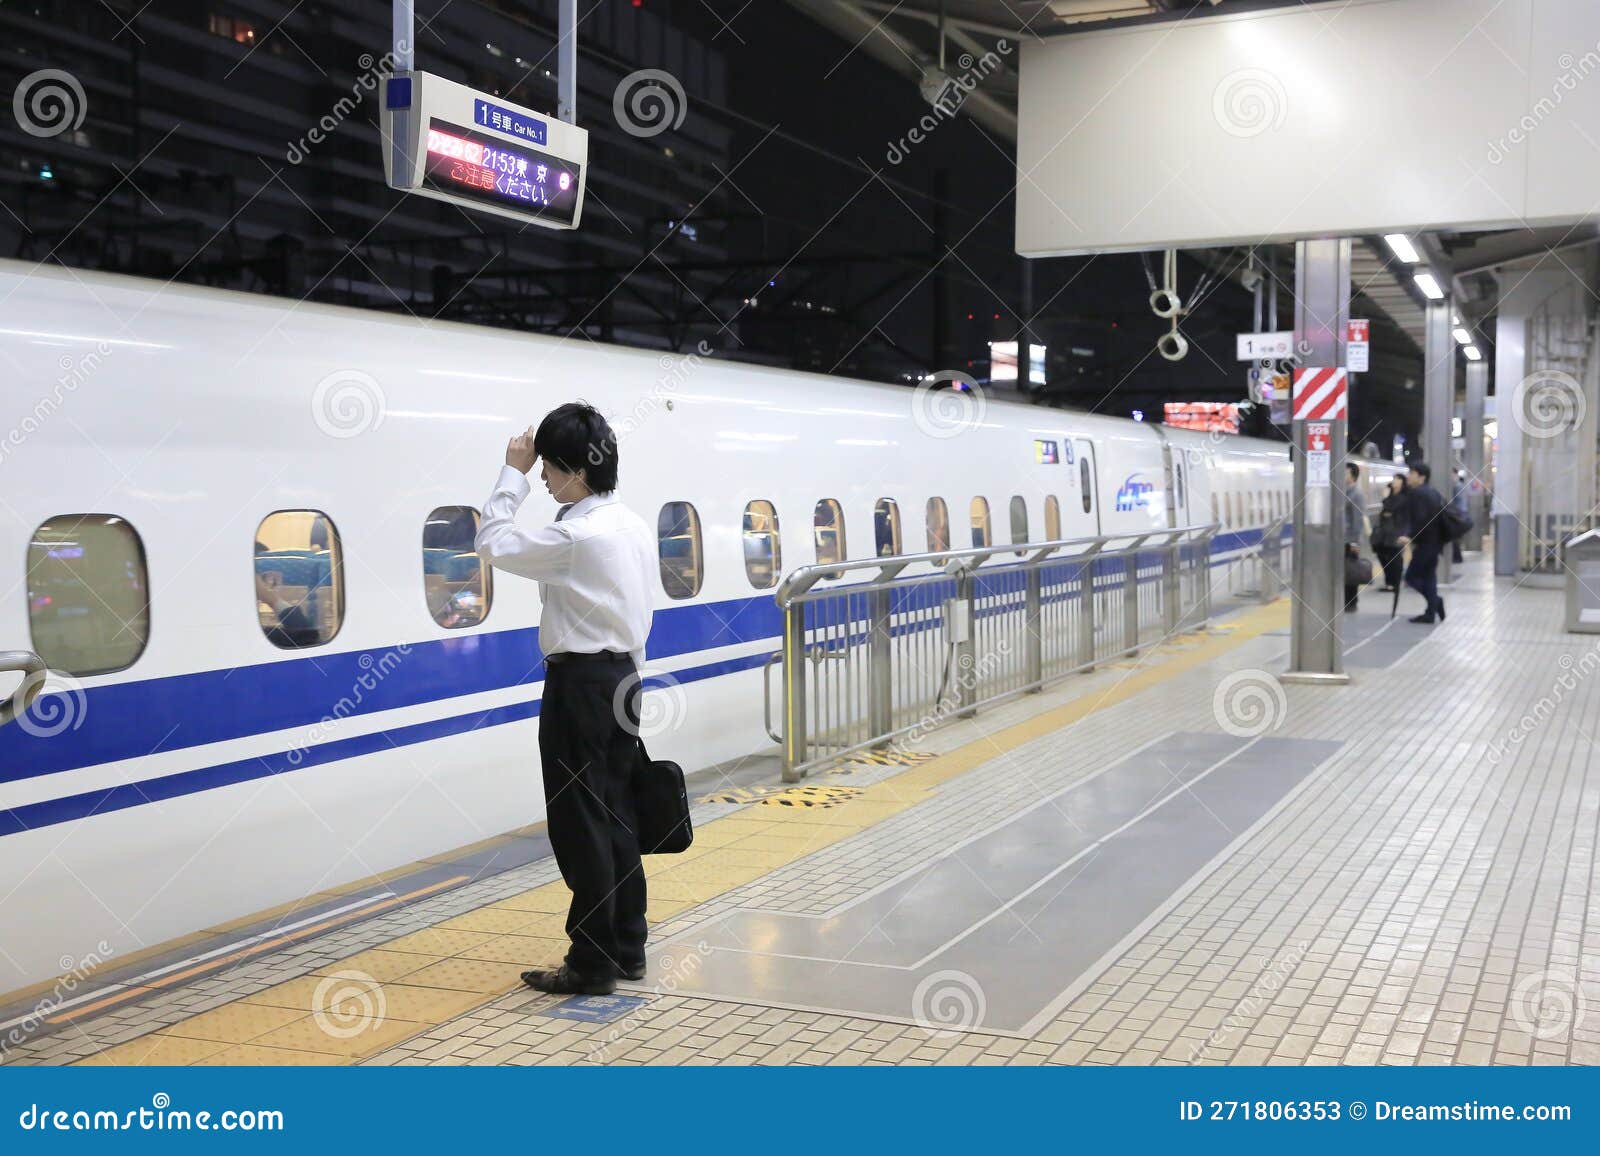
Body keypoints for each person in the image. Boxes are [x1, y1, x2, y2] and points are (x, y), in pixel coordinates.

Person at [474, 402, 658, 996]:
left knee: (581, 822)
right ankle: (628, 946)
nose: (545, 480)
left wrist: (511, 475)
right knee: (617, 813)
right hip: (624, 679)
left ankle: (591, 961)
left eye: (549, 469)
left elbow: (493, 544)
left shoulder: (575, 536)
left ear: (573, 470)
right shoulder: (628, 523)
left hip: (580, 687)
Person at [1398, 461, 1447, 624]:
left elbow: (1421, 519)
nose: (1408, 476)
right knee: (1429, 576)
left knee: (1411, 577)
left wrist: (1409, 536)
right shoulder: (1433, 492)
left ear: (1421, 477)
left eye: (1412, 473)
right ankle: (1430, 613)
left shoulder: (1417, 493)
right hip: (1435, 542)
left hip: (1425, 543)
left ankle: (1435, 602)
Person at [1370, 475, 1408, 592]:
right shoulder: (1391, 496)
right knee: (1383, 556)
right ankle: (1388, 582)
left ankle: (1395, 583)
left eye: (1397, 479)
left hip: (1397, 532)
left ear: (1402, 482)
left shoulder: (1404, 497)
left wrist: (1385, 498)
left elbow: (1390, 508)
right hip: (1384, 533)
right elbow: (1386, 512)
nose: (1394, 481)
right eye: (1394, 479)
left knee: (1395, 557)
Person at [1342, 463, 1365, 611]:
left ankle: (1351, 602)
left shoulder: (1356, 493)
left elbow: (1358, 520)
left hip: (1350, 540)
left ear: (1353, 476)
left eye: (1345, 473)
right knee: (1346, 571)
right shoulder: (1345, 491)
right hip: (1344, 539)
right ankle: (1347, 601)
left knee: (1351, 572)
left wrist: (1355, 542)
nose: (1343, 475)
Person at [1449, 470, 1469, 563]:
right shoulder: (1462, 486)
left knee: (1455, 537)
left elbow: (1453, 501)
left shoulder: (1457, 486)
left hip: (1458, 514)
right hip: (1461, 513)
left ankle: (1457, 557)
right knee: (1456, 537)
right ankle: (1457, 557)